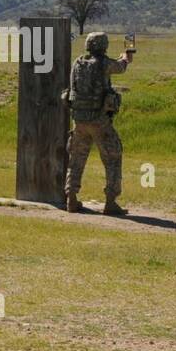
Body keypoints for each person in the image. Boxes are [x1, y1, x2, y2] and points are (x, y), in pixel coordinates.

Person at [65, 32, 133, 215]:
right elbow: (120, 68)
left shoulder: (78, 63)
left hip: (79, 120)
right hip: (100, 121)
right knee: (113, 157)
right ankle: (110, 201)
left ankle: (71, 198)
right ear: (104, 46)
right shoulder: (104, 63)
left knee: (76, 160)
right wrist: (126, 59)